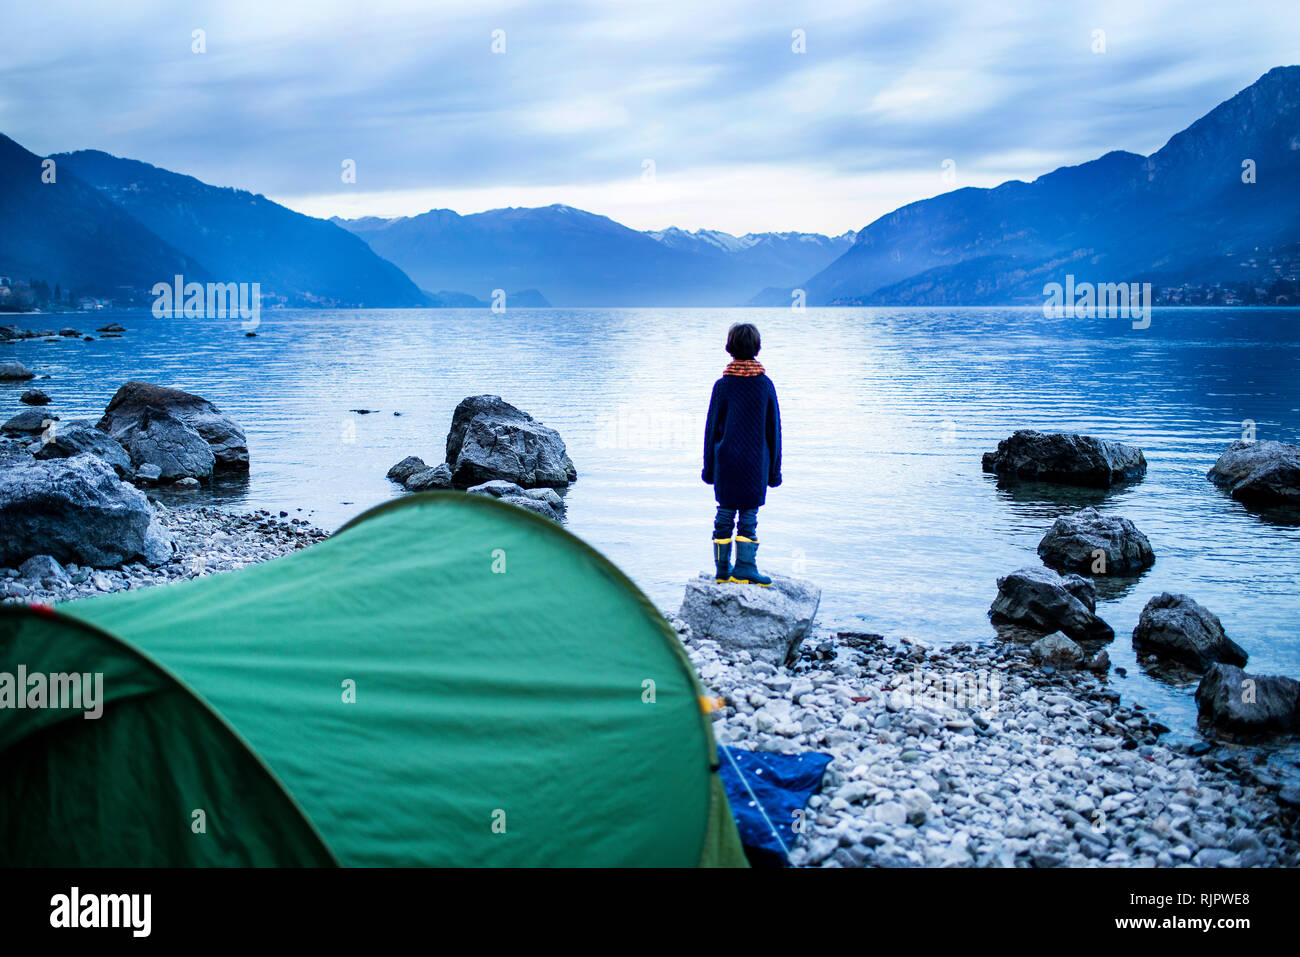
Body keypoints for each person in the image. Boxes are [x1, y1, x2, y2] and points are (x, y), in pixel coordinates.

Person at [701, 322, 782, 586]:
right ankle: (745, 568)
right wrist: (774, 472)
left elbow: (711, 430)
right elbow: (774, 432)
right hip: (756, 463)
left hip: (726, 462)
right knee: (748, 517)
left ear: (729, 348)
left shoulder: (722, 386)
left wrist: (709, 468)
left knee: (724, 513)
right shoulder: (765, 386)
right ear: (757, 348)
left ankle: (722, 571)